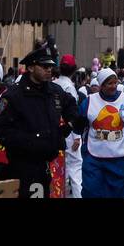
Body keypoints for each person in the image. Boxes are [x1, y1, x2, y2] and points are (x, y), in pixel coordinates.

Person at [0, 47, 77, 198]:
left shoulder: (54, 91)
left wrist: (67, 127)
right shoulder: (14, 95)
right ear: (31, 67)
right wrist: (29, 141)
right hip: (23, 163)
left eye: (51, 66)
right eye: (44, 66)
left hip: (45, 162)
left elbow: (71, 105)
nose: (49, 70)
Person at [74, 67, 124, 198]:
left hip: (120, 158)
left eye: (115, 83)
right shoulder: (89, 101)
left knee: (118, 193)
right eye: (109, 83)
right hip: (94, 158)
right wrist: (75, 134)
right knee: (91, 192)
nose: (113, 86)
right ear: (101, 85)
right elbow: (77, 122)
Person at [54, 53, 83, 199]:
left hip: (57, 130)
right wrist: (77, 136)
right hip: (69, 133)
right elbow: (72, 113)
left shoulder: (55, 83)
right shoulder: (69, 87)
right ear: (74, 69)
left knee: (60, 169)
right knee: (75, 170)